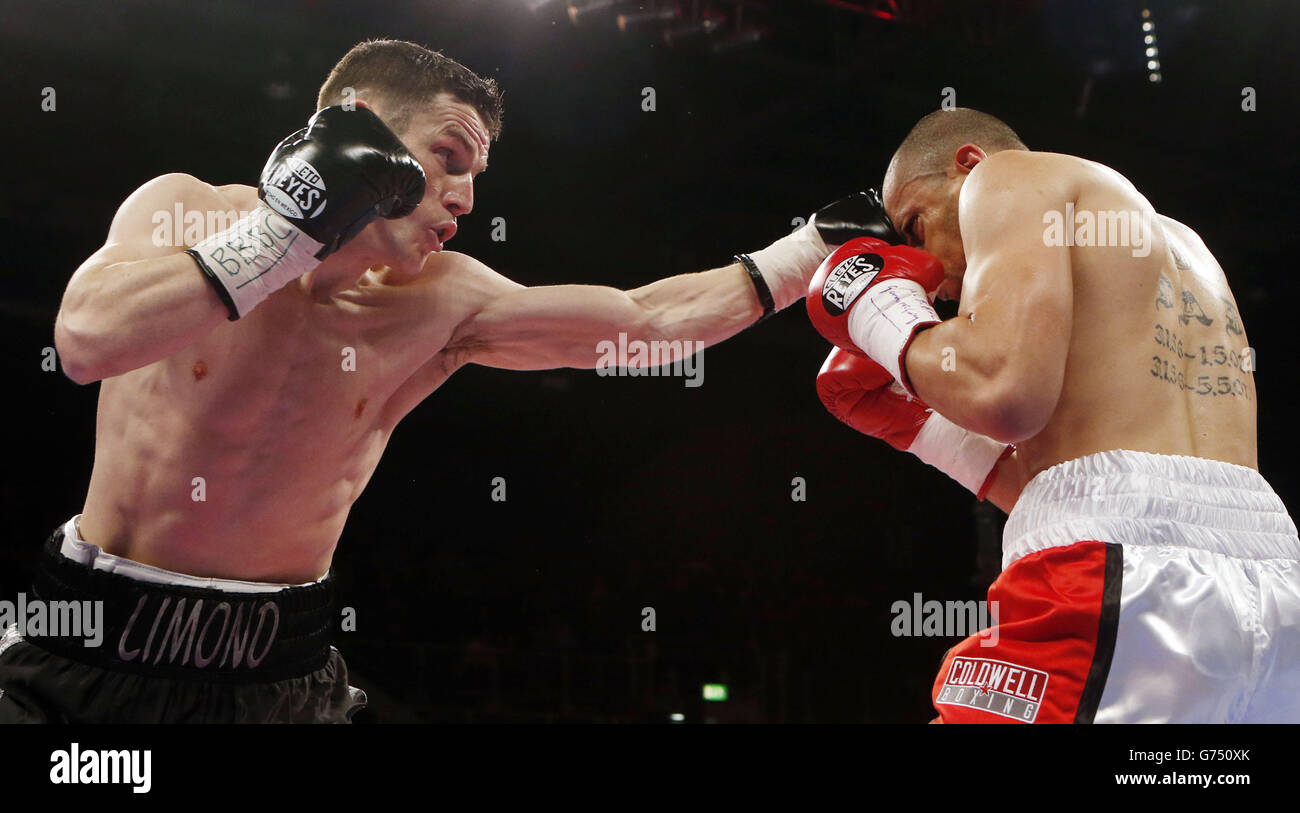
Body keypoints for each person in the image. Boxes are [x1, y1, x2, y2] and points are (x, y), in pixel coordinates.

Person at [0, 39, 877, 723]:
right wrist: (287, 230)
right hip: (87, 648)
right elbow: (85, 340)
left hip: (278, 672)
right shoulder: (187, 207)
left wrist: (801, 255)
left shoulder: (443, 303)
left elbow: (644, 324)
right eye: (450, 158)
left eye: (476, 177)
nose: (464, 196)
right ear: (357, 126)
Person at [806, 107, 1300, 723]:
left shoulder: (1007, 177)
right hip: (1274, 585)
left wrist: (880, 314)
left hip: (1116, 581)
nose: (930, 276)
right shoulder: (1183, 247)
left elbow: (1003, 395)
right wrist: (921, 429)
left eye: (916, 227)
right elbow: (1106, 485)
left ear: (968, 163)